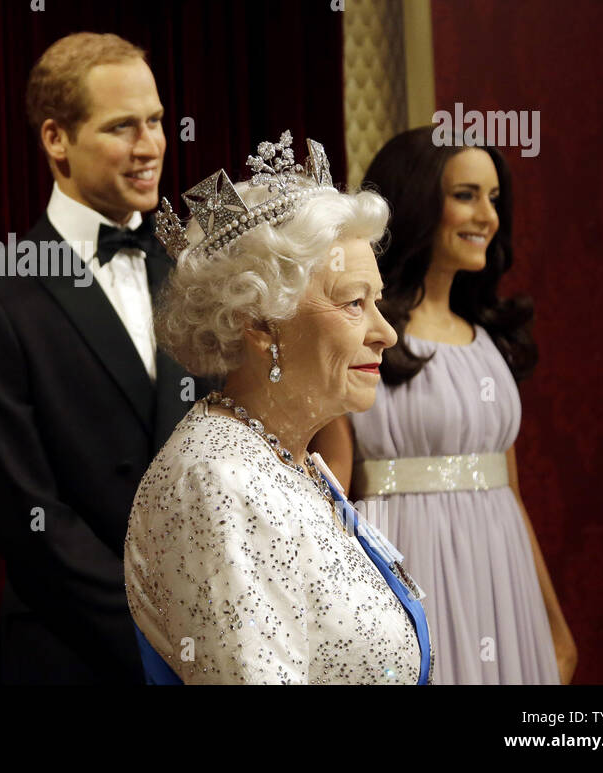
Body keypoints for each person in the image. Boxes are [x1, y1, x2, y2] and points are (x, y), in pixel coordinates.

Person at [126, 132, 432, 684]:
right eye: (353, 303)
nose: (385, 333)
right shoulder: (216, 480)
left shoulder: (292, 461)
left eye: (377, 302)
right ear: (260, 322)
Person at [0, 33, 197, 683]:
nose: (150, 145)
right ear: (57, 139)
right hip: (73, 653)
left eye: (157, 121)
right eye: (122, 127)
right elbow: (30, 520)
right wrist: (157, 644)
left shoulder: (197, 278)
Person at [312, 126, 576, 684]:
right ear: (415, 198)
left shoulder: (488, 341)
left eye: (494, 199)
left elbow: (511, 491)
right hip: (406, 574)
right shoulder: (364, 335)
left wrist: (552, 623)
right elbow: (332, 491)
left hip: (504, 586)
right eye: (466, 195)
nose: (488, 216)